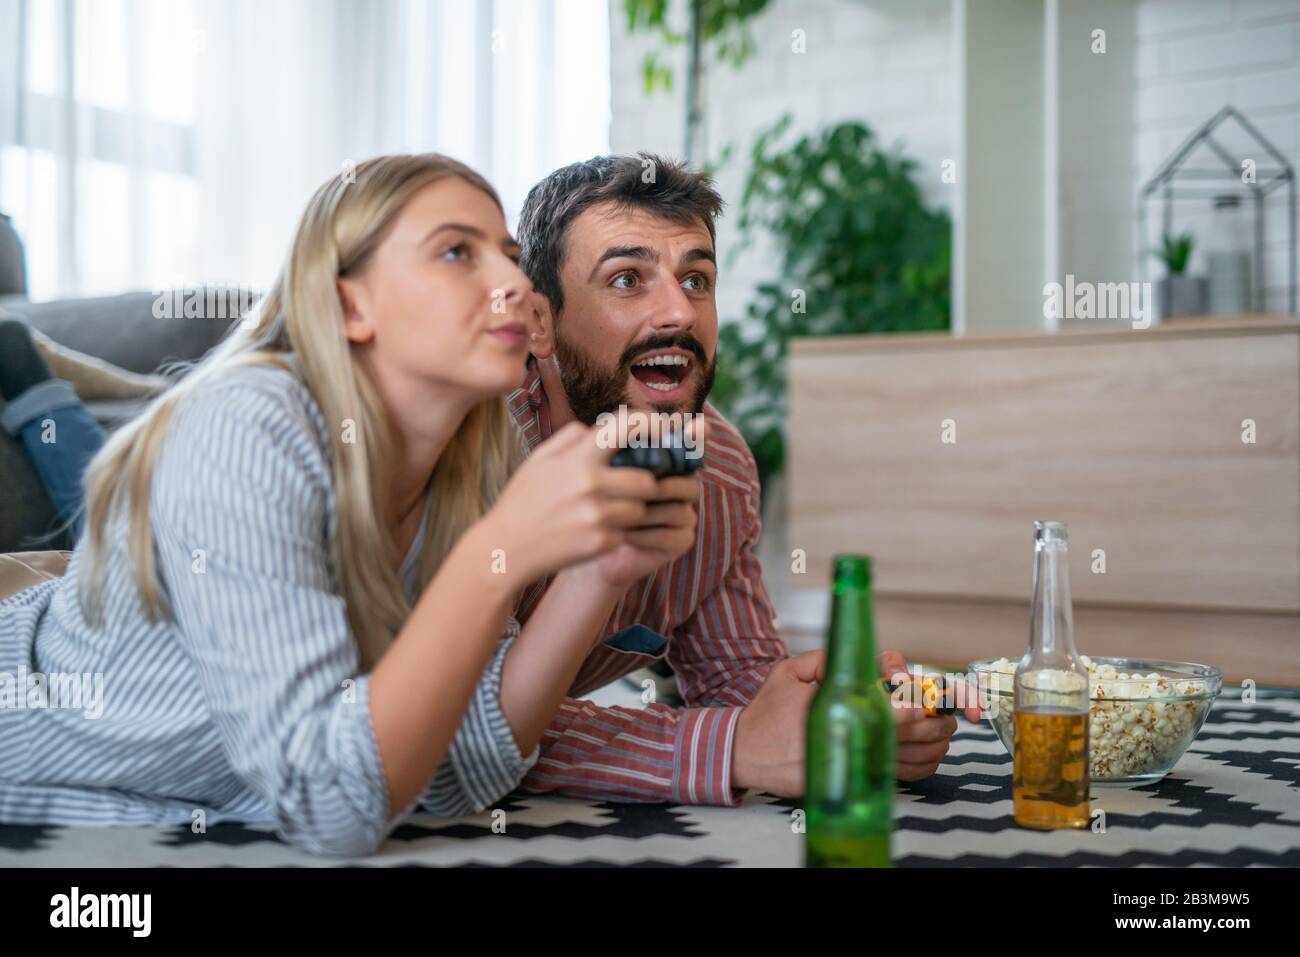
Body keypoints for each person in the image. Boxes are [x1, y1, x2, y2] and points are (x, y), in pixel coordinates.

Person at [0, 153, 700, 856]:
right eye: (457, 252)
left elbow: (457, 772)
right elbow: (329, 808)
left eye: (510, 257)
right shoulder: (248, 424)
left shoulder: (475, 460)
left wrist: (600, 572)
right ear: (349, 306)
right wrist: (504, 554)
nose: (515, 284)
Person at [508, 153, 981, 805]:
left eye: (696, 279)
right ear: (538, 321)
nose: (678, 312)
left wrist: (843, 715)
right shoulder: (473, 453)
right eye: (626, 279)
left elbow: (739, 682)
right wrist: (730, 748)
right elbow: (464, 732)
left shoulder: (720, 469)